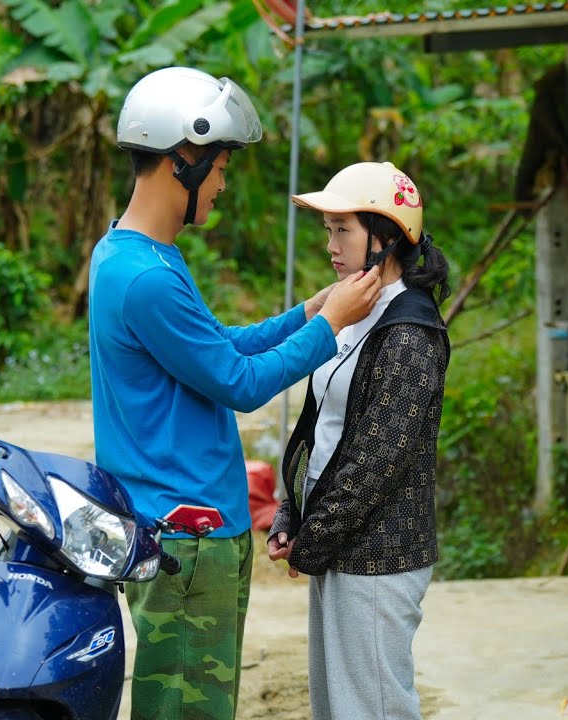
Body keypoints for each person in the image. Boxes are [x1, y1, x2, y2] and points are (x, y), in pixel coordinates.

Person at [87, 67, 383, 720]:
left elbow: (215, 347)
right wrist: (332, 327)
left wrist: (309, 311)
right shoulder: (147, 279)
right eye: (219, 168)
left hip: (180, 530)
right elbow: (238, 384)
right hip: (187, 537)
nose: (221, 186)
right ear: (183, 161)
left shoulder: (136, 256)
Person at [266, 161, 451, 720]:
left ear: (387, 235)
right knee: (339, 708)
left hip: (380, 559)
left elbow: (376, 463)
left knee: (374, 709)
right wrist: (289, 515)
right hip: (342, 548)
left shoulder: (411, 331)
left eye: (342, 229)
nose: (331, 244)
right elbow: (320, 429)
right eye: (328, 230)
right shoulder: (352, 312)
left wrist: (312, 541)